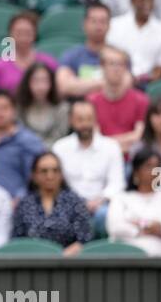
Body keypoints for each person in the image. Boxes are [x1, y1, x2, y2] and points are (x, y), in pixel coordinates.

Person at [53, 99, 125, 231]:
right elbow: (57, 184)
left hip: (103, 204)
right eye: (80, 119)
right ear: (71, 121)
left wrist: (100, 200)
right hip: (68, 203)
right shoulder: (60, 148)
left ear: (95, 120)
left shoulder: (111, 147)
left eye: (89, 119)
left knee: (105, 215)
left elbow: (117, 183)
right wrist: (78, 203)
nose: (85, 124)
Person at [106, 149, 161, 256]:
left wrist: (138, 223)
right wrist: (148, 228)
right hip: (124, 257)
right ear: (136, 171)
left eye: (157, 167)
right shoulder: (121, 197)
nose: (154, 171)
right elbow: (114, 227)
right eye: (148, 166)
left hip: (160, 257)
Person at [12, 152, 93, 256]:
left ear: (61, 174)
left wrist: (61, 258)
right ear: (34, 175)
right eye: (44, 171)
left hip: (68, 264)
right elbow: (17, 241)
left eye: (55, 171)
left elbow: (85, 239)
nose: (50, 176)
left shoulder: (75, 202)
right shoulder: (25, 204)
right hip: (32, 263)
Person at [0, 89, 45, 199]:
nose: (0, 113)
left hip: (16, 203)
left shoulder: (29, 142)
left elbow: (36, 179)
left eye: (5, 108)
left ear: (14, 110)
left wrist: (20, 199)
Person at [107, 0, 161, 83]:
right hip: (118, 80)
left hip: (150, 84)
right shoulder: (114, 25)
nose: (147, 3)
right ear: (132, 0)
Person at [88, 46, 147, 154]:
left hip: (132, 157)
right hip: (101, 155)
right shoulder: (91, 101)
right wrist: (120, 145)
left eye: (120, 64)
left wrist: (108, 143)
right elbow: (95, 137)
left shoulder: (141, 100)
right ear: (102, 67)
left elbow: (138, 136)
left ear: (126, 68)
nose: (116, 69)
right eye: (111, 63)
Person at [0, 11, 57, 95]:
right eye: (19, 33)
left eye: (28, 33)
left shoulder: (48, 62)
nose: (23, 38)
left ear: (35, 33)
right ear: (10, 34)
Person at [57, 2, 113, 98]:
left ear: (109, 25)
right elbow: (63, 86)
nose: (98, 26)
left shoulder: (119, 56)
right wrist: (106, 83)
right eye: (94, 21)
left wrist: (77, 83)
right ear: (84, 24)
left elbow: (125, 84)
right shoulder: (71, 56)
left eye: (103, 21)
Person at [15, 62, 68, 147]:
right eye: (35, 81)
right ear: (27, 83)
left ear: (52, 83)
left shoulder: (62, 108)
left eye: (45, 81)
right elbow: (20, 137)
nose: (40, 86)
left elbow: (60, 138)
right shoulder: (19, 108)